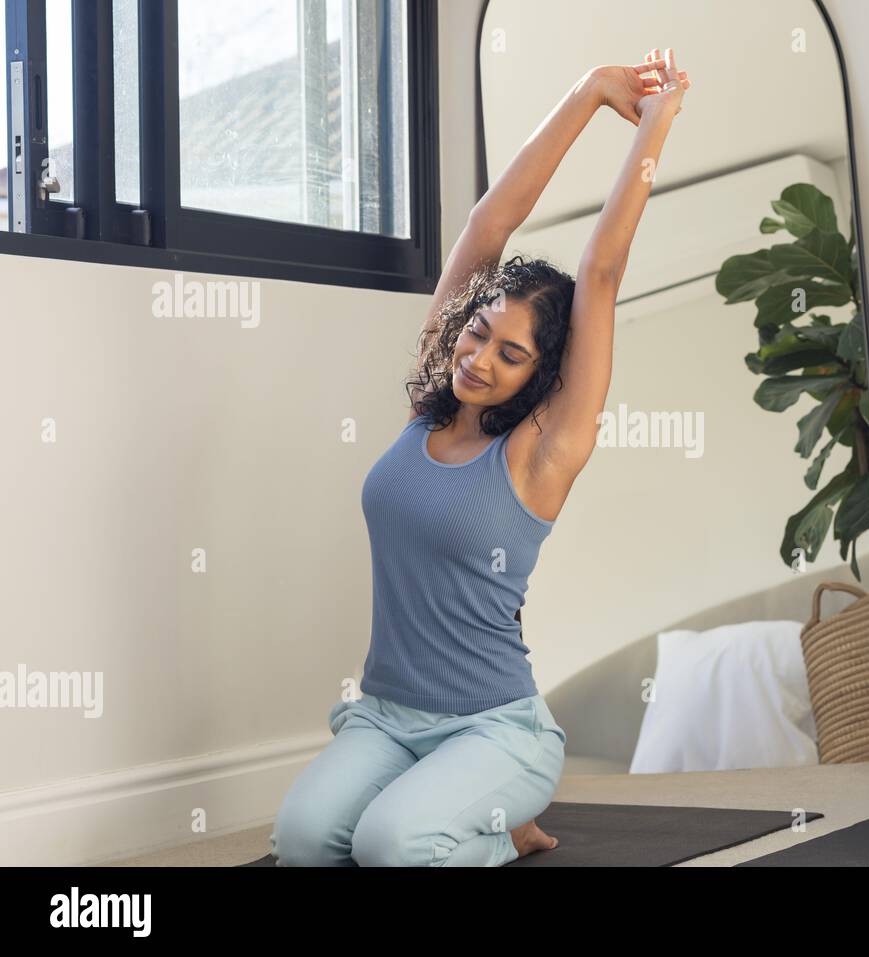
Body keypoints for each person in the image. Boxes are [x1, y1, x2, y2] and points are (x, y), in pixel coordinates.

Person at [270, 49, 690, 866]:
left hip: (496, 728)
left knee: (393, 847)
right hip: (388, 716)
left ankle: (498, 826)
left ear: (543, 375)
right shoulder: (429, 400)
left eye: (511, 354)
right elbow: (487, 227)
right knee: (305, 841)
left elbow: (601, 271)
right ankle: (479, 816)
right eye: (477, 330)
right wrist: (585, 91)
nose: (478, 358)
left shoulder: (545, 450)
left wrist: (654, 123)